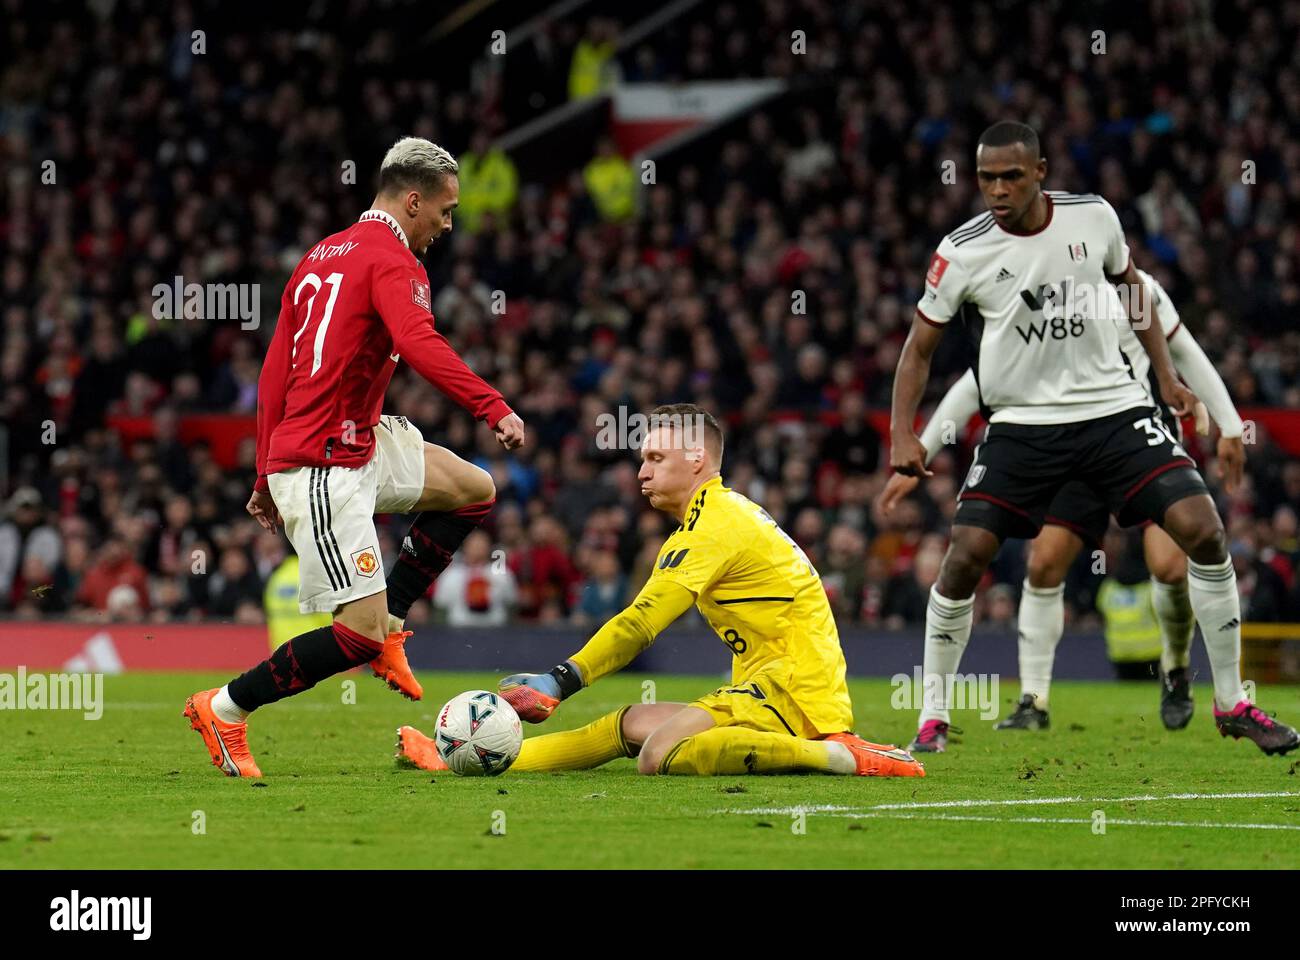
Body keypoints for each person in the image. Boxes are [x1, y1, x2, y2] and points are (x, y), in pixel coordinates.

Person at [888, 121, 1296, 756]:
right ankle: (935, 716)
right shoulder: (961, 252)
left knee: (1204, 530)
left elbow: (1136, 290)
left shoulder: (1093, 219)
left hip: (1114, 413)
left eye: (1011, 177)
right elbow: (920, 352)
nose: (997, 190)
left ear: (1041, 172)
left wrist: (1167, 377)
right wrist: (905, 435)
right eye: (986, 178)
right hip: (1023, 426)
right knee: (966, 554)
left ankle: (1231, 701)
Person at [184, 137, 527, 778]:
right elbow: (419, 342)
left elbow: (273, 372)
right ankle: (225, 707)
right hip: (323, 462)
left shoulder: (319, 256)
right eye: (445, 212)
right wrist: (492, 406)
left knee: (474, 489)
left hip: (357, 439)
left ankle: (391, 621)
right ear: (413, 200)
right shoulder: (395, 262)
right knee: (356, 635)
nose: (448, 226)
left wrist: (261, 467)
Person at [397, 403, 924, 778]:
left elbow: (640, 624)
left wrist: (559, 682)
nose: (642, 470)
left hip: (793, 688)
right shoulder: (708, 519)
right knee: (629, 724)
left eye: (655, 459)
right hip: (772, 684)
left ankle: (843, 757)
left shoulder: (716, 524)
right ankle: (456, 759)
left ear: (696, 459)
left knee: (657, 753)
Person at [879, 268, 1247, 733]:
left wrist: (1230, 424)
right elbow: (980, 382)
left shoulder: (1138, 290)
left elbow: (1183, 349)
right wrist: (924, 449)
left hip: (1134, 439)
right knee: (1045, 563)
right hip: (1068, 445)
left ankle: (1174, 666)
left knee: (1171, 566)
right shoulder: (1039, 294)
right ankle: (1034, 700)